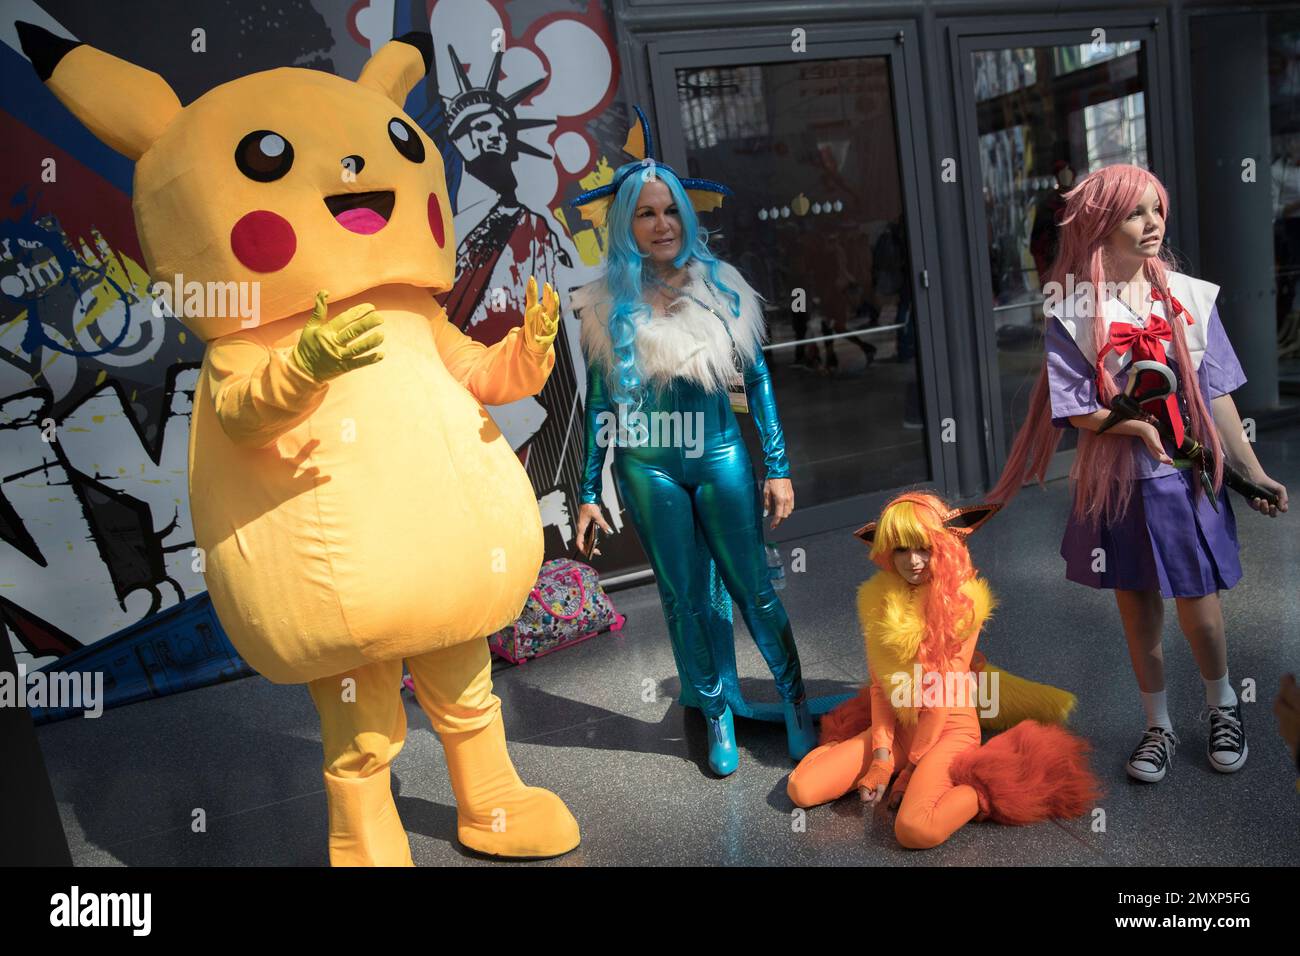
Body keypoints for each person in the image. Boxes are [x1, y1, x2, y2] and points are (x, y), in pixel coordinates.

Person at [988, 164, 1289, 784]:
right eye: (1136, 213)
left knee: (1200, 608)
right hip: (1122, 483)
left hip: (1186, 474)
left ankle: (1223, 706)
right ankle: (1158, 725)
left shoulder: (1187, 295)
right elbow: (1074, 407)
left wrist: (1253, 471)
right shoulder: (1072, 310)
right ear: (1102, 223)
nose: (1152, 224)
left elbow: (1220, 394)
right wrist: (1132, 426)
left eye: (1157, 209)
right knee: (1138, 609)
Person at [569, 107, 816, 776]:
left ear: (686, 216)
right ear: (626, 224)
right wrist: (588, 492)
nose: (661, 225)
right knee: (682, 599)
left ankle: (793, 702)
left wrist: (778, 467)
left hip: (719, 457)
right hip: (647, 468)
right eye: (646, 214)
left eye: (670, 211)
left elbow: (755, 382)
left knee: (752, 587)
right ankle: (716, 713)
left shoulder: (724, 290)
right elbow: (598, 404)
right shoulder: (603, 303)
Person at [786, 493, 1098, 849]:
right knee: (801, 789)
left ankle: (978, 791)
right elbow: (880, 688)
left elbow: (942, 692)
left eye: (925, 547)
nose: (913, 561)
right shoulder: (877, 599)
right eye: (901, 549)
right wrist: (882, 758)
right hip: (902, 724)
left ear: (945, 545)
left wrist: (912, 768)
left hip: (948, 728)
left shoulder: (963, 603)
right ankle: (861, 760)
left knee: (915, 831)